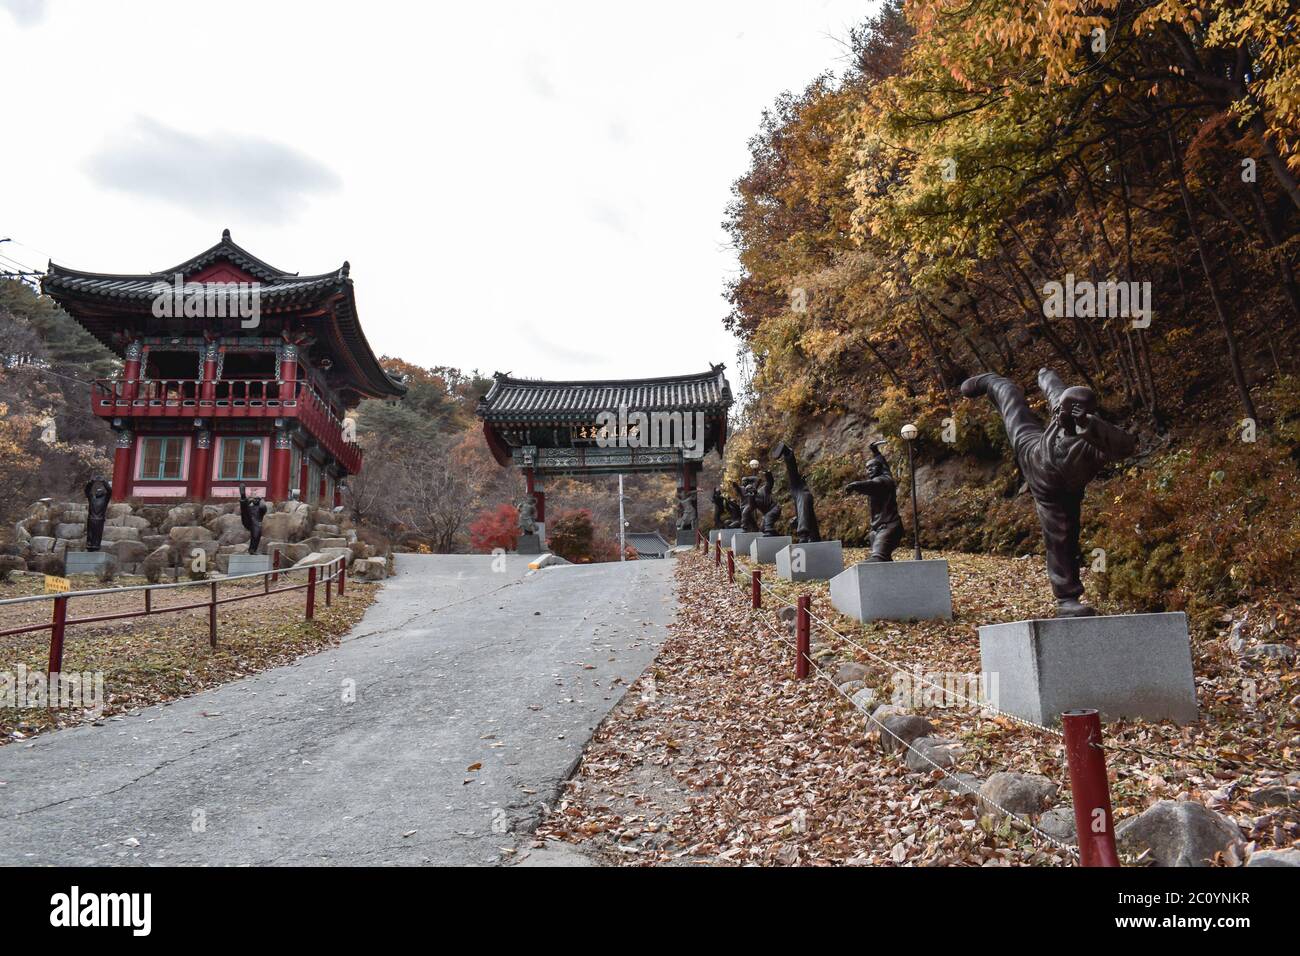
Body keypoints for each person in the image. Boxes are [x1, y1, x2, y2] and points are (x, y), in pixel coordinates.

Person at [961, 367, 1137, 617]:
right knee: (1010, 400)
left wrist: (1090, 425)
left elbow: (1126, 446)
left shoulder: (1093, 440)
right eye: (1060, 410)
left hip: (1057, 487)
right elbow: (1057, 393)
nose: (1059, 415)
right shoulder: (1061, 410)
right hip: (1034, 455)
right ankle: (991, 381)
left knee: (1063, 539)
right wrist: (1045, 375)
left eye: (1066, 412)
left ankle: (1067, 599)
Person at [844, 441, 903, 562]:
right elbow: (885, 467)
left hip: (889, 527)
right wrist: (876, 452)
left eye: (872, 467)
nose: (869, 470)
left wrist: (855, 485)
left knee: (877, 559)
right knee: (884, 559)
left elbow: (871, 485)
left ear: (879, 468)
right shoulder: (887, 475)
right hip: (878, 529)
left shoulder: (883, 481)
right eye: (867, 468)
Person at [239, 483, 268, 555]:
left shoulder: (261, 508)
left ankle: (252, 549)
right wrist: (248, 501)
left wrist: (261, 500)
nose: (255, 500)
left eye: (257, 499)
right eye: (254, 499)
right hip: (248, 521)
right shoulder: (250, 507)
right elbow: (244, 510)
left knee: (256, 535)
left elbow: (263, 507)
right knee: (244, 507)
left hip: (256, 523)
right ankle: (243, 496)